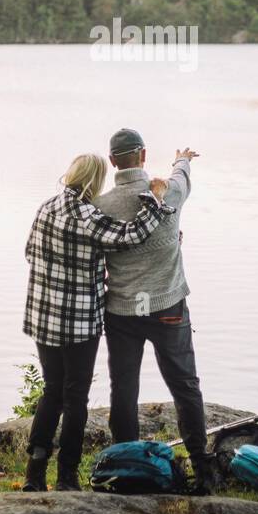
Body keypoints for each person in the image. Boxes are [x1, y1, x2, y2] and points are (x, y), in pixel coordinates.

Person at [21, 151, 172, 492]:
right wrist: (156, 201)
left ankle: (34, 474)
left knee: (51, 392)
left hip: (44, 317)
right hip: (79, 322)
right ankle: (66, 477)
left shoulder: (46, 207)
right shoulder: (90, 216)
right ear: (96, 180)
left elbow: (30, 251)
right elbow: (132, 235)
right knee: (75, 398)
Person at [96, 128, 214, 493]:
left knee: (124, 388)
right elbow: (181, 176)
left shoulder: (100, 206)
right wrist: (182, 158)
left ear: (113, 161)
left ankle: (125, 467)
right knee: (184, 386)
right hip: (168, 307)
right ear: (143, 156)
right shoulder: (170, 193)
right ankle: (203, 472)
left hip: (122, 312)